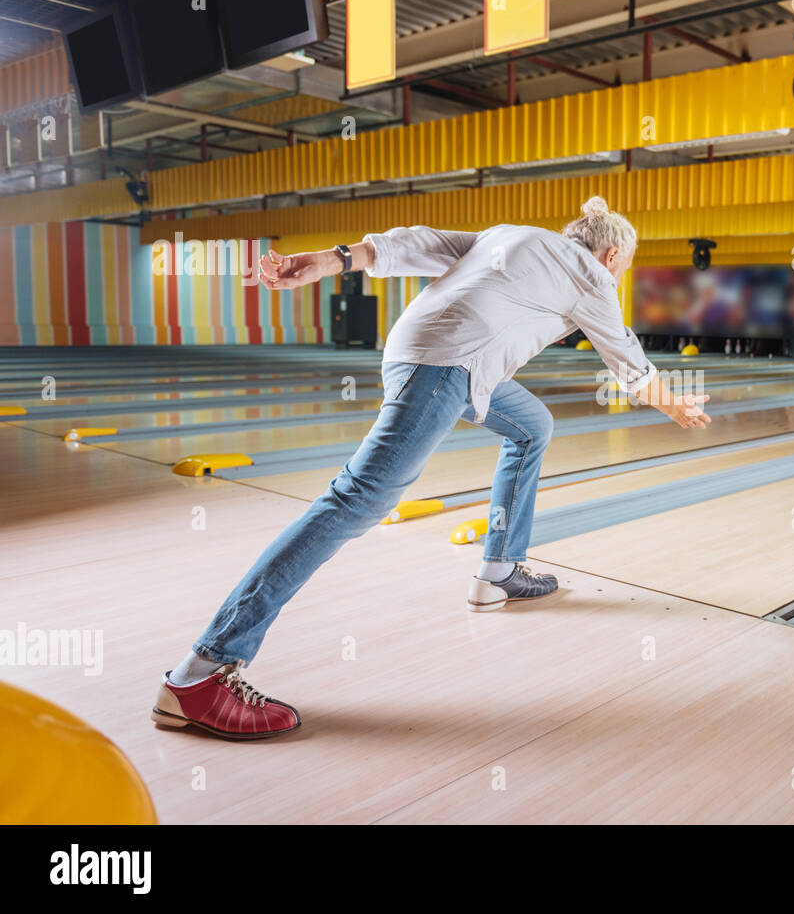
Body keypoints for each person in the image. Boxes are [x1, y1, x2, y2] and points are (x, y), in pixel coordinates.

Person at [150, 197, 711, 740]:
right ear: (612, 257)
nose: (621, 274)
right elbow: (628, 360)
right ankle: (202, 673)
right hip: (447, 366)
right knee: (356, 501)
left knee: (532, 425)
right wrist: (673, 403)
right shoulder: (593, 276)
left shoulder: (509, 236)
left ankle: (500, 570)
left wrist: (333, 259)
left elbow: (417, 243)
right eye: (626, 266)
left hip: (426, 353)